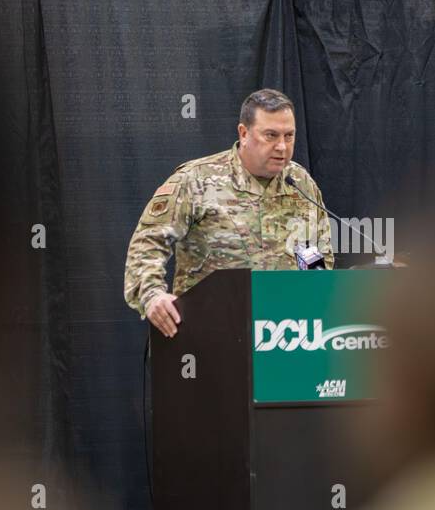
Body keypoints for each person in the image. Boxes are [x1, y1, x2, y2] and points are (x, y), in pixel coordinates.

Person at [123, 88, 334, 336]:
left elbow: (312, 251)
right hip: (210, 334)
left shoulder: (300, 182)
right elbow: (148, 240)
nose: (282, 146)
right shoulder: (197, 180)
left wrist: (316, 292)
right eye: (271, 135)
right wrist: (152, 295)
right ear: (244, 133)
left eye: (289, 136)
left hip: (284, 334)